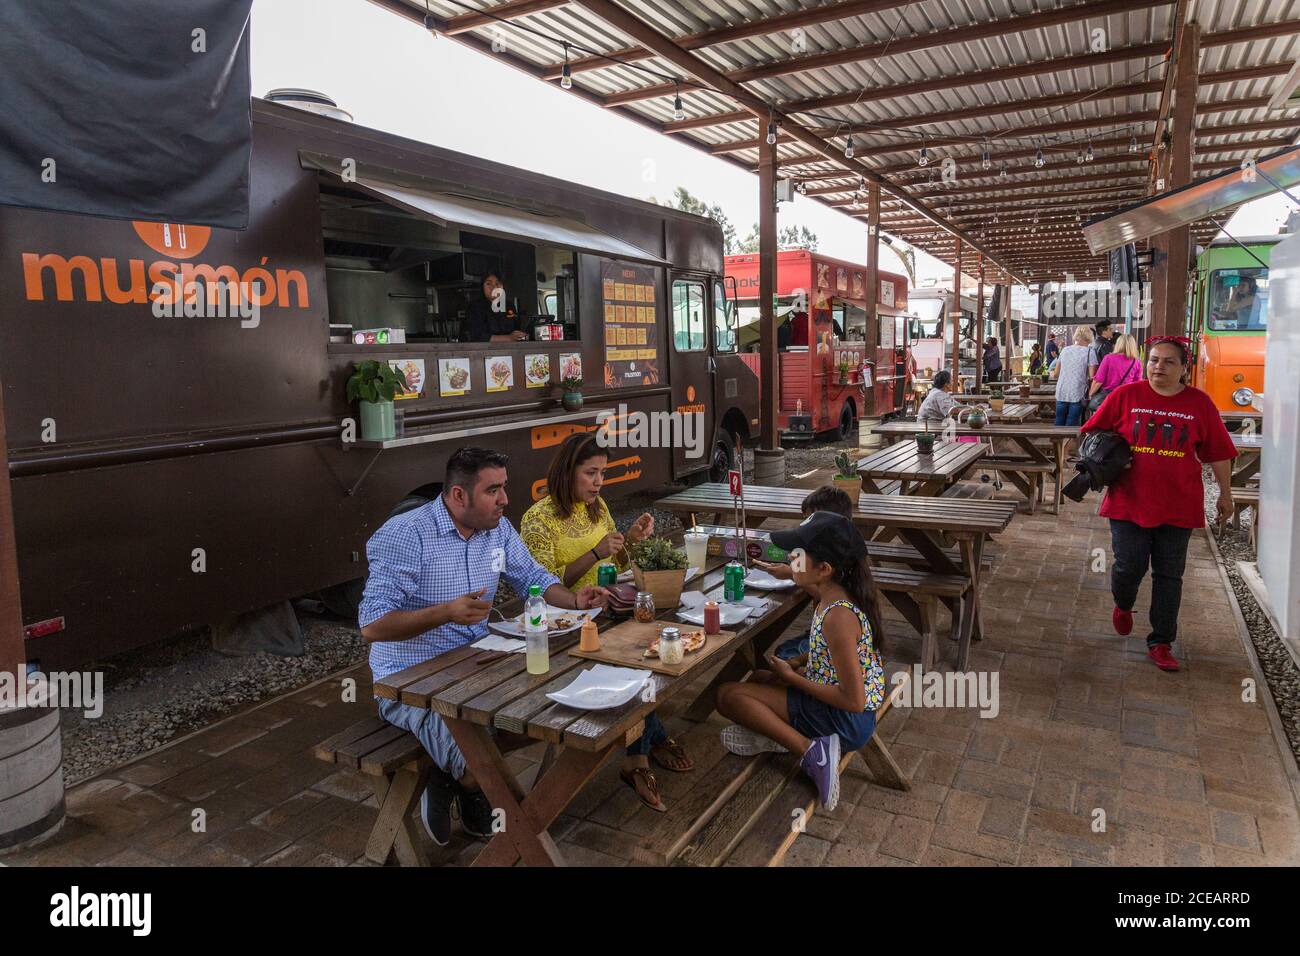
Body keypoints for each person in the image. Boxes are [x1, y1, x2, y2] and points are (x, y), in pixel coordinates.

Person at [359, 446, 608, 845]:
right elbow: (371, 626)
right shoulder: (406, 536)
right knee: (481, 764)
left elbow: (533, 576)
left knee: (556, 713)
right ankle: (495, 805)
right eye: (494, 490)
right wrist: (445, 613)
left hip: (480, 663)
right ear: (459, 496)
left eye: (504, 488)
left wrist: (576, 601)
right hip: (410, 682)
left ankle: (457, 781)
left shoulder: (496, 528)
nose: (505, 500)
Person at [520, 432, 689, 811]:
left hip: (607, 611)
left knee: (655, 654)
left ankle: (647, 742)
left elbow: (616, 566)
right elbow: (540, 583)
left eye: (602, 473)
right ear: (568, 473)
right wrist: (595, 551)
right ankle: (639, 757)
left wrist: (629, 540)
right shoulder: (538, 519)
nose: (599, 482)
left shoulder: (597, 508)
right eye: (591, 473)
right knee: (639, 665)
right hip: (563, 627)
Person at [1081, 337, 1236, 672]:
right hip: (1128, 500)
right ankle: (1123, 604)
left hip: (1179, 504)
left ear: (1184, 368)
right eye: (1153, 360)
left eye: (1168, 362)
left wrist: (1226, 493)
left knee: (1170, 575)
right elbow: (1090, 433)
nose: (1158, 367)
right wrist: (1105, 460)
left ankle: (1162, 642)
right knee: (1129, 566)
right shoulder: (1125, 396)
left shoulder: (1199, 403)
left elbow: (1219, 453)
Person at [714, 512, 886, 812]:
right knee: (758, 679)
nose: (791, 557)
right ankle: (781, 737)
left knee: (727, 695)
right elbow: (833, 650)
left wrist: (794, 678)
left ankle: (813, 753)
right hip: (845, 712)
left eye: (797, 555)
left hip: (847, 721)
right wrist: (799, 661)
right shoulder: (839, 593)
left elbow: (854, 700)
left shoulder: (838, 617)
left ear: (824, 569)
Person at [756, 485, 854, 663]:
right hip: (824, 641)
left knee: (781, 655)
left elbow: (827, 594)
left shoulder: (839, 611)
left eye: (810, 519)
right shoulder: (833, 548)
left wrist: (793, 574)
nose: (804, 525)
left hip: (829, 649)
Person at [1087, 331, 1143, 414]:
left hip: (1107, 397)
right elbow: (1137, 384)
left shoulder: (1109, 358)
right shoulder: (1136, 362)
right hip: (1125, 398)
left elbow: (1099, 380)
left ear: (1118, 344)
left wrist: (1091, 393)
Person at [465, 272, 528, 343]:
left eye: (497, 284)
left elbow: (517, 329)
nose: (494, 287)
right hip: (485, 352)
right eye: (489, 284)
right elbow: (477, 336)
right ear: (482, 286)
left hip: (510, 351)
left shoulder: (509, 306)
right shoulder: (475, 307)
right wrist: (508, 338)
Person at [1052, 327, 1093, 426]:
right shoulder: (1089, 352)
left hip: (1062, 391)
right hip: (1077, 392)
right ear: (1089, 337)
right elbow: (1092, 376)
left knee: (1059, 421)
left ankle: (1057, 441)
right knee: (1072, 423)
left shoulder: (1065, 350)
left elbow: (1055, 374)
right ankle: (1067, 441)